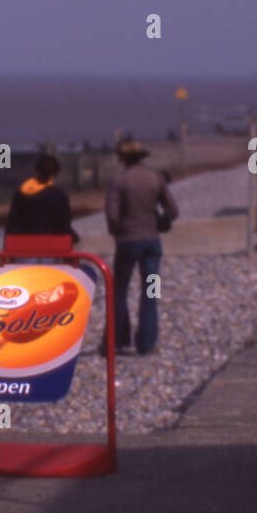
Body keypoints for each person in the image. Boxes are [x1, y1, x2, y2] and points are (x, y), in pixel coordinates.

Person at [105, 139, 178, 355]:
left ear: (122, 158)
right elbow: (173, 209)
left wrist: (116, 231)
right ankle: (147, 342)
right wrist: (161, 223)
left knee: (120, 290)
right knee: (151, 291)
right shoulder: (155, 178)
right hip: (152, 243)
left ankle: (120, 340)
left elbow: (112, 214)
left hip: (128, 241)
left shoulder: (119, 181)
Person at [5, 154, 79, 241]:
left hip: (25, 244)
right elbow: (64, 225)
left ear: (35, 170)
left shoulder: (21, 192)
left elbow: (11, 223)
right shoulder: (60, 195)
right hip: (53, 245)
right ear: (55, 173)